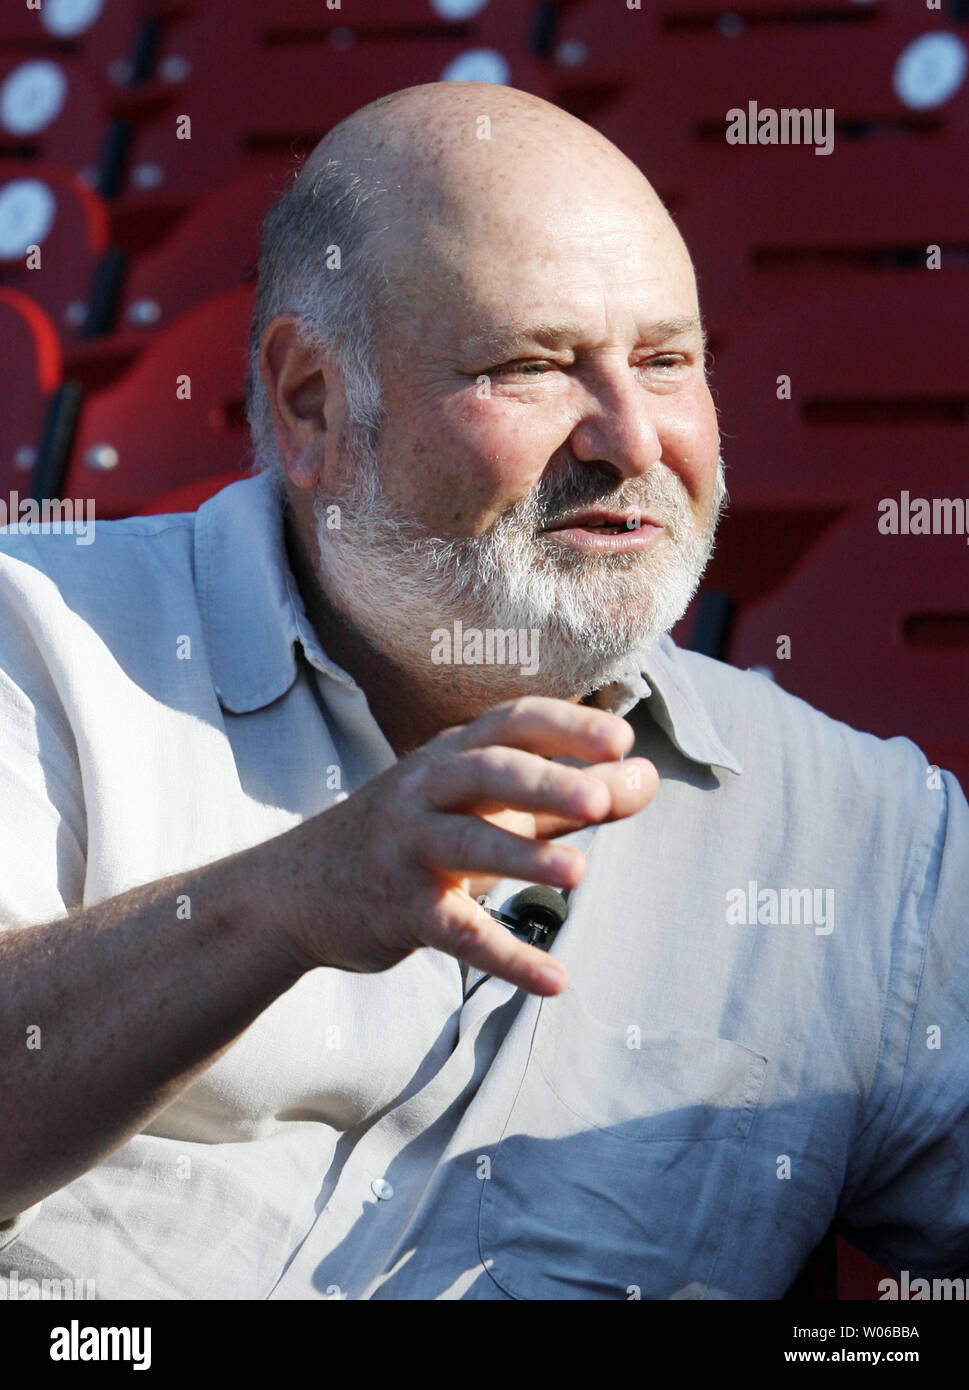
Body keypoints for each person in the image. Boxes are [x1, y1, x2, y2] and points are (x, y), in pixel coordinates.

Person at [0, 82, 966, 1301]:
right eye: (533, 366)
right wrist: (288, 901)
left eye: (669, 362)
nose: (630, 435)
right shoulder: (30, 641)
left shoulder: (871, 834)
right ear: (310, 404)